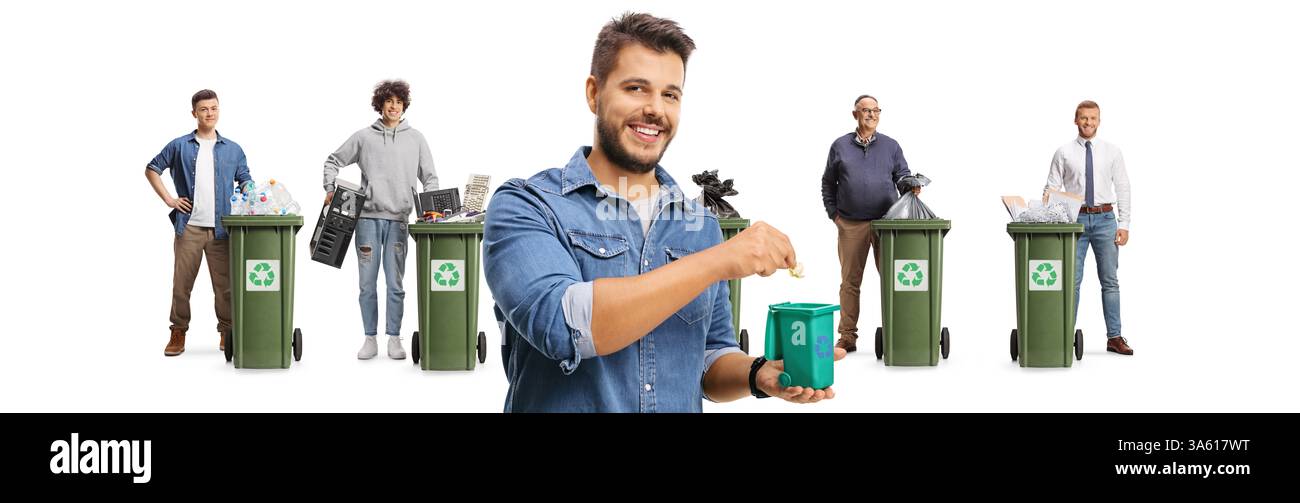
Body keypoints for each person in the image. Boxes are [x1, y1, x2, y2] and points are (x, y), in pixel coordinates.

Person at [483, 12, 844, 412]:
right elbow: (561, 326)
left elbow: (710, 356)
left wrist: (756, 374)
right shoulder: (527, 206)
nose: (656, 109)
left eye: (670, 94)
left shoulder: (701, 227)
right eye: (636, 88)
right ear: (593, 93)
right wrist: (719, 260)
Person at [322, 80, 440, 360]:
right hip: (367, 220)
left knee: (396, 284)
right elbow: (333, 160)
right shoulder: (364, 137)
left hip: (399, 220)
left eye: (399, 102)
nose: (394, 107)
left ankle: (394, 338)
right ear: (381, 104)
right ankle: (370, 338)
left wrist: (431, 209)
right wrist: (330, 188)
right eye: (389, 101)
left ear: (404, 105)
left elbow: (430, 177)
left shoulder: (416, 138)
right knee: (367, 283)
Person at [145, 89, 254, 357]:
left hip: (222, 230)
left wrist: (253, 194)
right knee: (182, 285)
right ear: (194, 113)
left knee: (226, 286)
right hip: (189, 227)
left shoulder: (233, 149)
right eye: (204, 109)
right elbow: (152, 168)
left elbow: (245, 179)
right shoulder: (179, 145)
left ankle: (227, 332)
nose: (210, 113)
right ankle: (178, 331)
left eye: (214, 108)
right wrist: (170, 200)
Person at [821, 94, 918, 353]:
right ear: (855, 114)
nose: (871, 115)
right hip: (851, 224)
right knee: (850, 283)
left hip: (887, 225)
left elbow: (902, 176)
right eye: (866, 110)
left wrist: (911, 185)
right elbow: (828, 183)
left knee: (893, 279)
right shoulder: (840, 146)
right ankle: (847, 337)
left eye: (876, 111)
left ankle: (898, 330)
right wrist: (835, 215)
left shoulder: (891, 146)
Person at [1044, 100, 1133, 355]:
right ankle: (1064, 336)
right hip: (1076, 222)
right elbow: (1051, 188)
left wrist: (1124, 224)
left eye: (1093, 118)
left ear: (1099, 121)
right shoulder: (1063, 152)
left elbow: (1123, 187)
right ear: (1076, 120)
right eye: (1084, 118)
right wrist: (1050, 219)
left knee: (1110, 281)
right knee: (1071, 281)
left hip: (1106, 219)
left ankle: (1114, 337)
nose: (1088, 123)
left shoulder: (1112, 152)